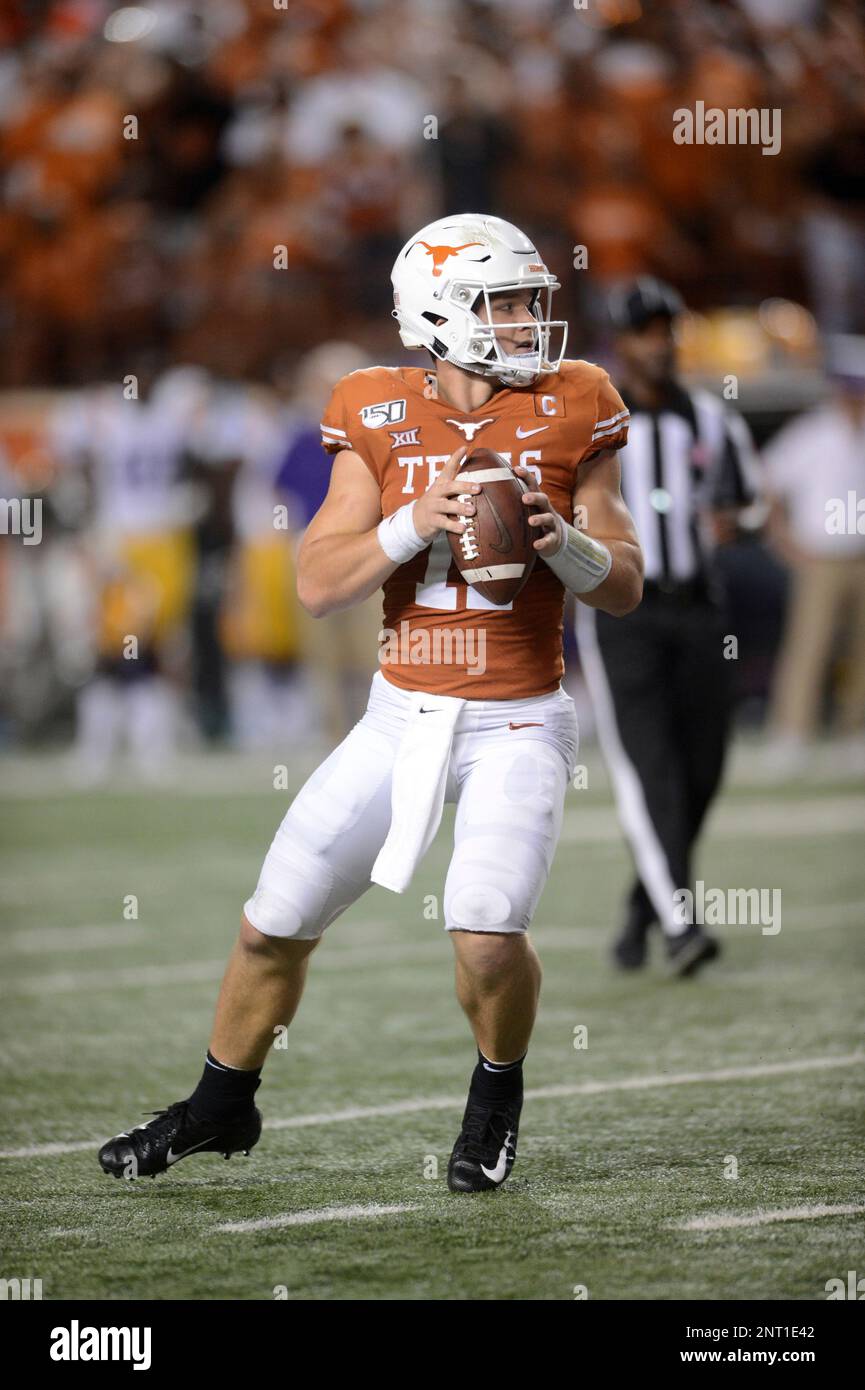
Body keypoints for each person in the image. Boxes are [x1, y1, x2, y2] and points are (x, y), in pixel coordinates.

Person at [98, 214, 642, 1193]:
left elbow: (628, 583)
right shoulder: (373, 405)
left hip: (518, 717)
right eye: (506, 302)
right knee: (271, 922)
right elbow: (318, 580)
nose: (527, 320)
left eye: (528, 301)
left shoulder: (578, 399)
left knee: (482, 924)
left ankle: (495, 1098)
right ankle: (222, 1105)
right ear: (441, 312)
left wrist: (556, 536)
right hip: (399, 717)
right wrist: (407, 523)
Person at [576, 278, 759, 975]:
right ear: (618, 342)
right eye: (643, 332)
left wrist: (733, 523)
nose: (658, 344)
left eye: (665, 330)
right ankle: (681, 922)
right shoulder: (589, 422)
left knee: (701, 769)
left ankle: (644, 903)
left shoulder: (709, 419)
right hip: (623, 610)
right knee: (648, 765)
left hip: (698, 609)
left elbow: (749, 501)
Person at [764, 336, 865, 769]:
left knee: (862, 650)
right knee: (809, 645)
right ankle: (792, 732)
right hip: (821, 557)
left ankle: (855, 732)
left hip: (861, 554)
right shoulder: (813, 432)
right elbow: (768, 483)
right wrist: (783, 540)